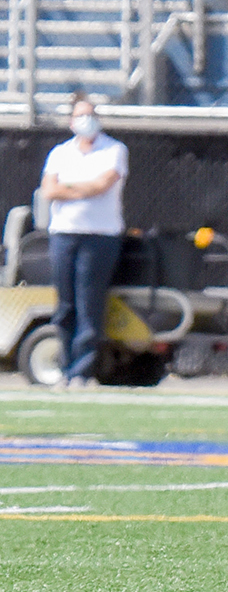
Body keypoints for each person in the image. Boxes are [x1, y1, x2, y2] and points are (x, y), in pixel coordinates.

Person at [39, 93, 128, 388]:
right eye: (80, 115)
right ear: (70, 121)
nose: (85, 120)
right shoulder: (60, 153)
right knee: (65, 304)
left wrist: (69, 188)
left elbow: (103, 185)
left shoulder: (114, 150)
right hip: (64, 234)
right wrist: (82, 188)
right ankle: (65, 367)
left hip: (100, 236)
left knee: (89, 302)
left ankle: (83, 371)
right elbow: (49, 190)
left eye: (90, 114)